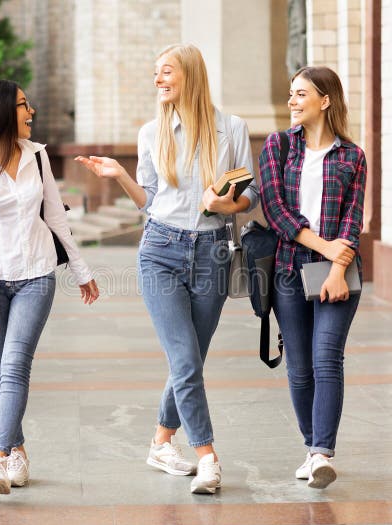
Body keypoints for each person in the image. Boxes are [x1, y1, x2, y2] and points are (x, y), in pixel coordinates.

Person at [75, 44, 259, 494]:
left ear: (190, 75)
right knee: (184, 358)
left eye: (166, 72)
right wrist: (121, 175)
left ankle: (161, 440)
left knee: (190, 360)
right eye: (155, 73)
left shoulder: (232, 128)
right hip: (160, 250)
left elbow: (250, 198)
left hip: (213, 252)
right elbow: (150, 203)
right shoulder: (150, 133)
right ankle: (207, 455)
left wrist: (223, 203)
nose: (158, 80)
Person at [0, 79, 99, 495]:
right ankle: (17, 451)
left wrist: (80, 269)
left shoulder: (37, 156)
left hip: (36, 275)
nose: (30, 111)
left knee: (15, 364)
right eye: (22, 105)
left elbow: (55, 215)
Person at [258, 66, 366, 489]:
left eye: (301, 94)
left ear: (325, 100)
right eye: (290, 94)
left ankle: (322, 452)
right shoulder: (278, 146)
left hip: (338, 274)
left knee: (327, 359)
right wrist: (324, 249)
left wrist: (338, 269)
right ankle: (310, 446)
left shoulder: (352, 156)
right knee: (300, 369)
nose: (292, 101)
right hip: (288, 270)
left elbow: (353, 220)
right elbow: (275, 210)